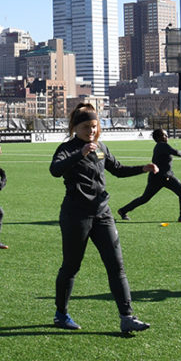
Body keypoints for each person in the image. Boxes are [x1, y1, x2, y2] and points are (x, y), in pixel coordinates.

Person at [49, 103, 156, 334]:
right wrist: (80, 153)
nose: (91, 131)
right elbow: (55, 170)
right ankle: (61, 313)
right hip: (76, 215)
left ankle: (127, 317)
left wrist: (143, 169)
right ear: (75, 127)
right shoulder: (67, 148)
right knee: (71, 266)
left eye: (94, 126)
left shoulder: (101, 148)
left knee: (116, 265)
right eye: (86, 127)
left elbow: (117, 169)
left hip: (102, 213)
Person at [117, 128, 181, 223]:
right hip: (161, 177)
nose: (167, 137)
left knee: (145, 198)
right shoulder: (162, 145)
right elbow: (175, 152)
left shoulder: (159, 146)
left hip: (161, 177)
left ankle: (123, 210)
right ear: (159, 137)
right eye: (165, 135)